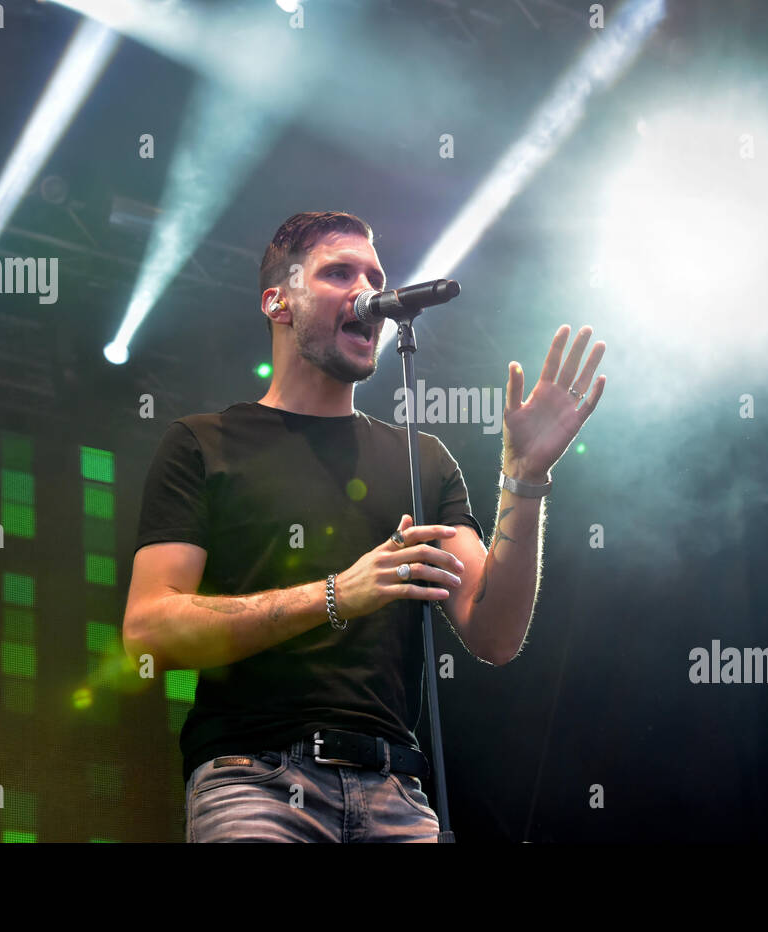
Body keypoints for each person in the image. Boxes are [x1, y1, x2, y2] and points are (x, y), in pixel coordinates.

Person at [124, 211, 606, 842]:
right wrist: (334, 596)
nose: (366, 291)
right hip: (255, 785)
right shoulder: (203, 444)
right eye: (338, 272)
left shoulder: (422, 461)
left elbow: (495, 635)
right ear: (278, 301)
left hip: (398, 796)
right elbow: (148, 630)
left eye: (375, 275)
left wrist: (524, 477)